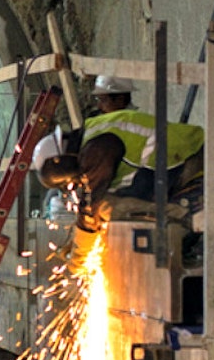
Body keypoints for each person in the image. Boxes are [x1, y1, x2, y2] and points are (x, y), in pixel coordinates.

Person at [32, 108, 204, 273]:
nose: (74, 185)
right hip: (165, 159)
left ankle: (183, 218)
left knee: (112, 209)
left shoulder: (95, 149)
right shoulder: (89, 138)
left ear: (62, 164)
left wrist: (79, 256)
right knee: (110, 207)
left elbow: (90, 207)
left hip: (181, 155)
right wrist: (76, 240)